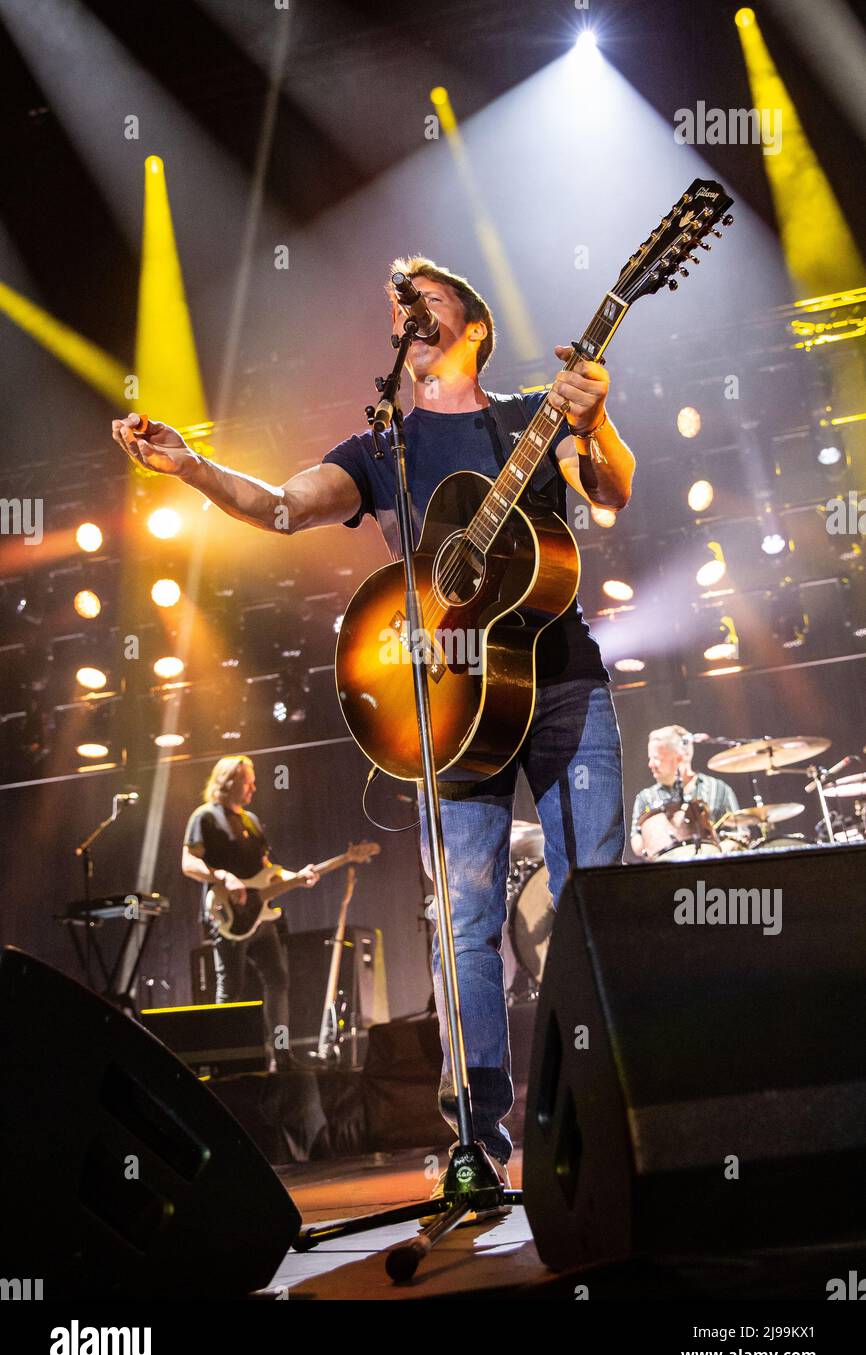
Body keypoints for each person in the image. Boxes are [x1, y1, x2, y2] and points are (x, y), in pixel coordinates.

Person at [113, 255, 635, 1202]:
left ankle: (612, 1115)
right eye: (400, 303)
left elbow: (608, 492)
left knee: (594, 904)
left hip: (559, 684)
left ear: (471, 325)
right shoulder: (380, 450)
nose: (409, 310)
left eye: (427, 299)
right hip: (450, 702)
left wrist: (596, 424)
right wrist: (190, 466)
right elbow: (278, 506)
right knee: (465, 926)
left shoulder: (533, 415)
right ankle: (475, 1143)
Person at [181, 754, 320, 1071]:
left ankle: (281, 1055)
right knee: (230, 987)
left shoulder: (252, 821)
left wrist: (297, 877)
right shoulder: (205, 817)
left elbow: (269, 871)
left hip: (262, 917)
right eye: (248, 781)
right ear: (228, 782)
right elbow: (188, 863)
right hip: (228, 918)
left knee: (278, 980)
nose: (254, 788)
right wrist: (222, 877)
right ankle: (224, 1058)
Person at [629, 725, 739, 859]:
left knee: (702, 880)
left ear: (680, 757)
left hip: (714, 871)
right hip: (667, 874)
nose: (650, 764)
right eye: (649, 758)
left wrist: (715, 852)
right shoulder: (645, 797)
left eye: (656, 757)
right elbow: (637, 839)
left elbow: (738, 834)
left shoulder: (719, 789)